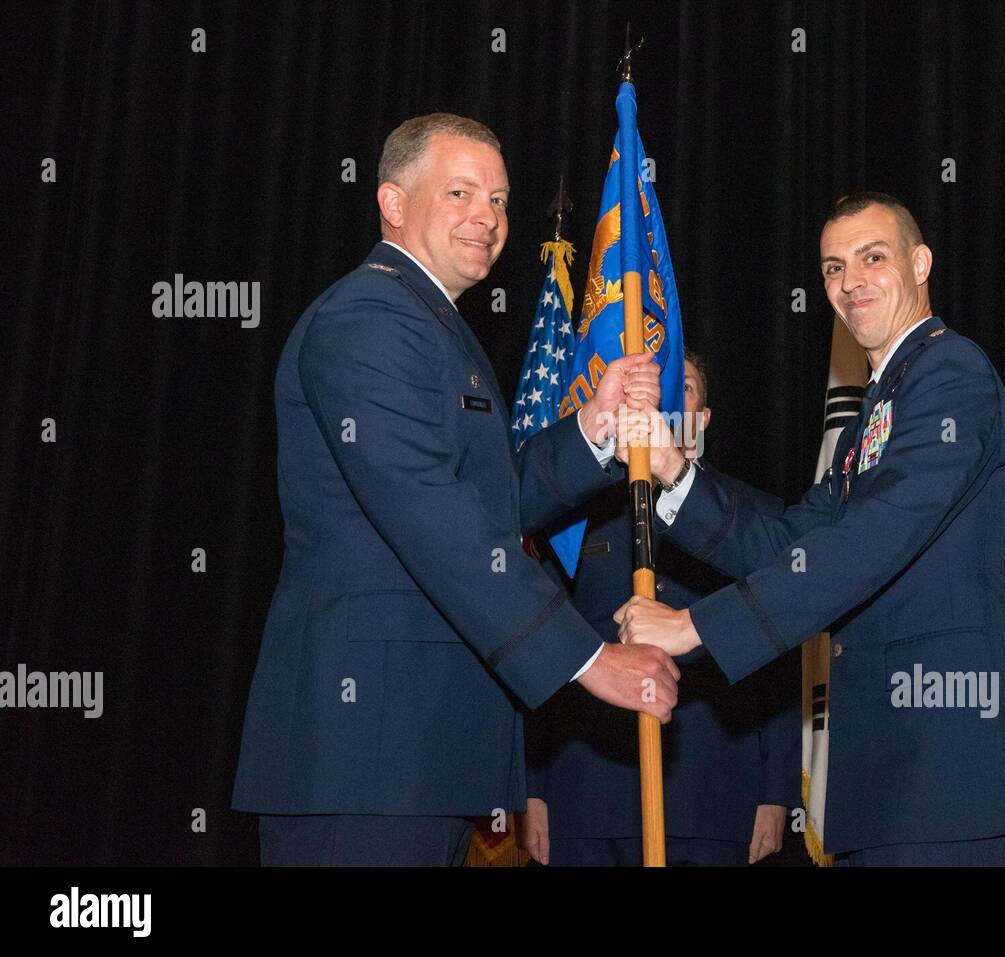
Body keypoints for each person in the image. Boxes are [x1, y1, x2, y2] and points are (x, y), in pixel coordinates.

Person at [231, 113, 679, 866]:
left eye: (501, 200)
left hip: (418, 753)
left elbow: (488, 502)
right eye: (462, 192)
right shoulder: (369, 315)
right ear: (393, 203)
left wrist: (592, 430)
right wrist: (590, 659)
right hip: (364, 751)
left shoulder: (432, 322)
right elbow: (431, 515)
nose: (488, 218)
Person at [616, 192, 1005, 866]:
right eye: (832, 268)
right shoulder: (872, 414)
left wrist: (696, 627)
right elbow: (790, 543)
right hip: (880, 786)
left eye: (872, 258)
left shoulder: (951, 373)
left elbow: (875, 538)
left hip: (949, 783)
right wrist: (675, 472)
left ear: (921, 262)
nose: (850, 282)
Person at [521, 353, 800, 867]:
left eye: (686, 387)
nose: (671, 399)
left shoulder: (757, 519)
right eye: (661, 386)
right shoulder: (570, 522)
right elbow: (539, 636)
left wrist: (777, 791)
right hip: (584, 792)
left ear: (705, 417)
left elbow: (779, 658)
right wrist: (532, 786)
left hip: (714, 792)